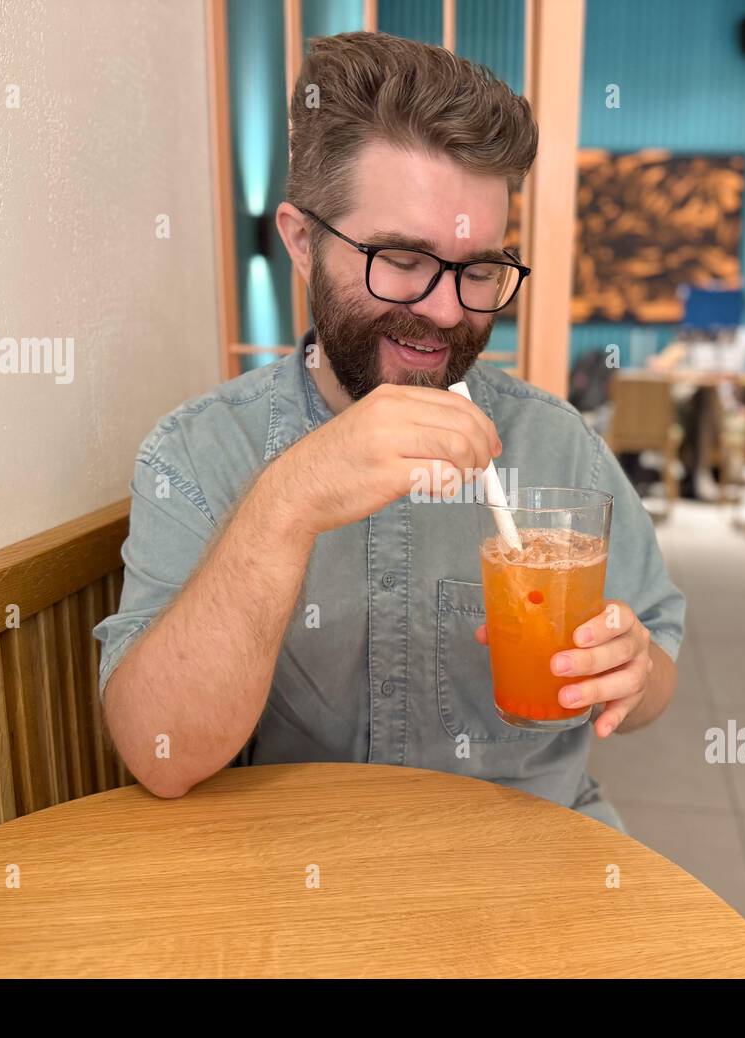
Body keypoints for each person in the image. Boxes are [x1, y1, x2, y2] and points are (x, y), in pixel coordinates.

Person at [93, 32, 686, 833]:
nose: (446, 311)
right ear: (303, 242)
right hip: (309, 882)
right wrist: (290, 499)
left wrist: (633, 670)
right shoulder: (198, 453)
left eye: (479, 270)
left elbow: (656, 670)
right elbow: (160, 754)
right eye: (403, 258)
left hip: (534, 863)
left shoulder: (555, 444)